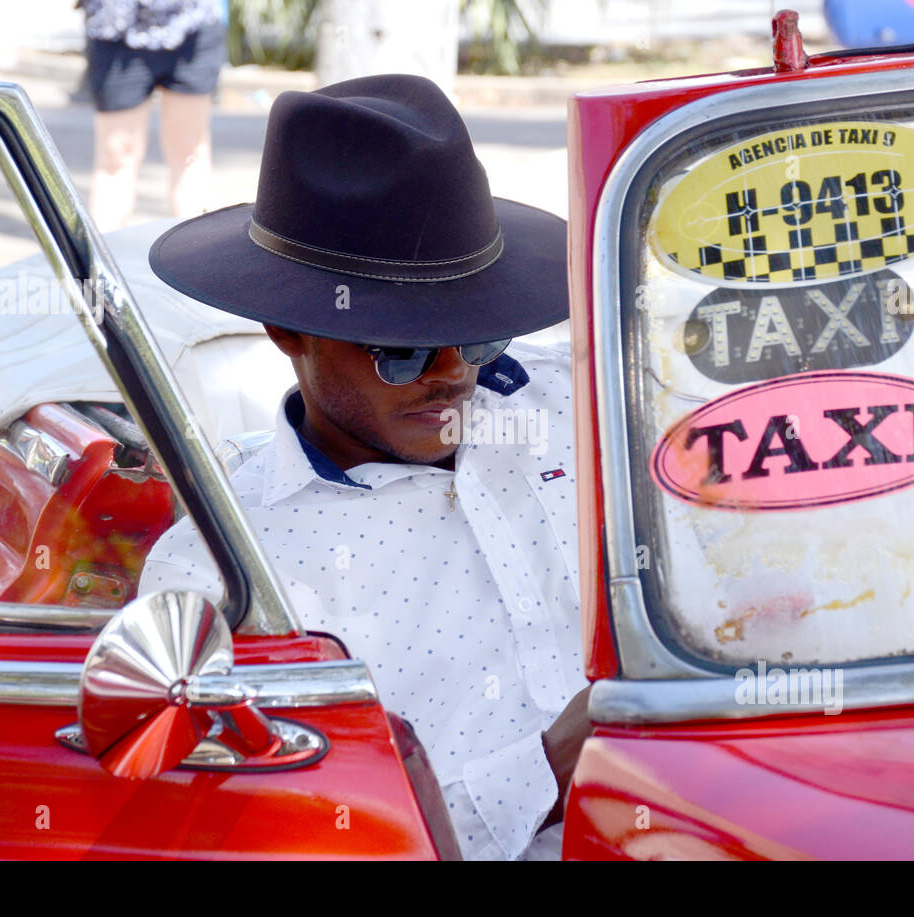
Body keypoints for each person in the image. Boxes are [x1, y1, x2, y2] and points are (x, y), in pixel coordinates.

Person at [139, 73, 590, 861]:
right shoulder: (226, 579)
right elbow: (295, 838)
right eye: (402, 350)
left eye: (480, 336)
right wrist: (548, 769)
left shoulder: (587, 408)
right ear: (288, 330)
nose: (452, 372)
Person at [81, 0, 226, 230]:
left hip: (192, 22)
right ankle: (100, 260)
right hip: (116, 26)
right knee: (115, 158)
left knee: (191, 154)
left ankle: (198, 254)